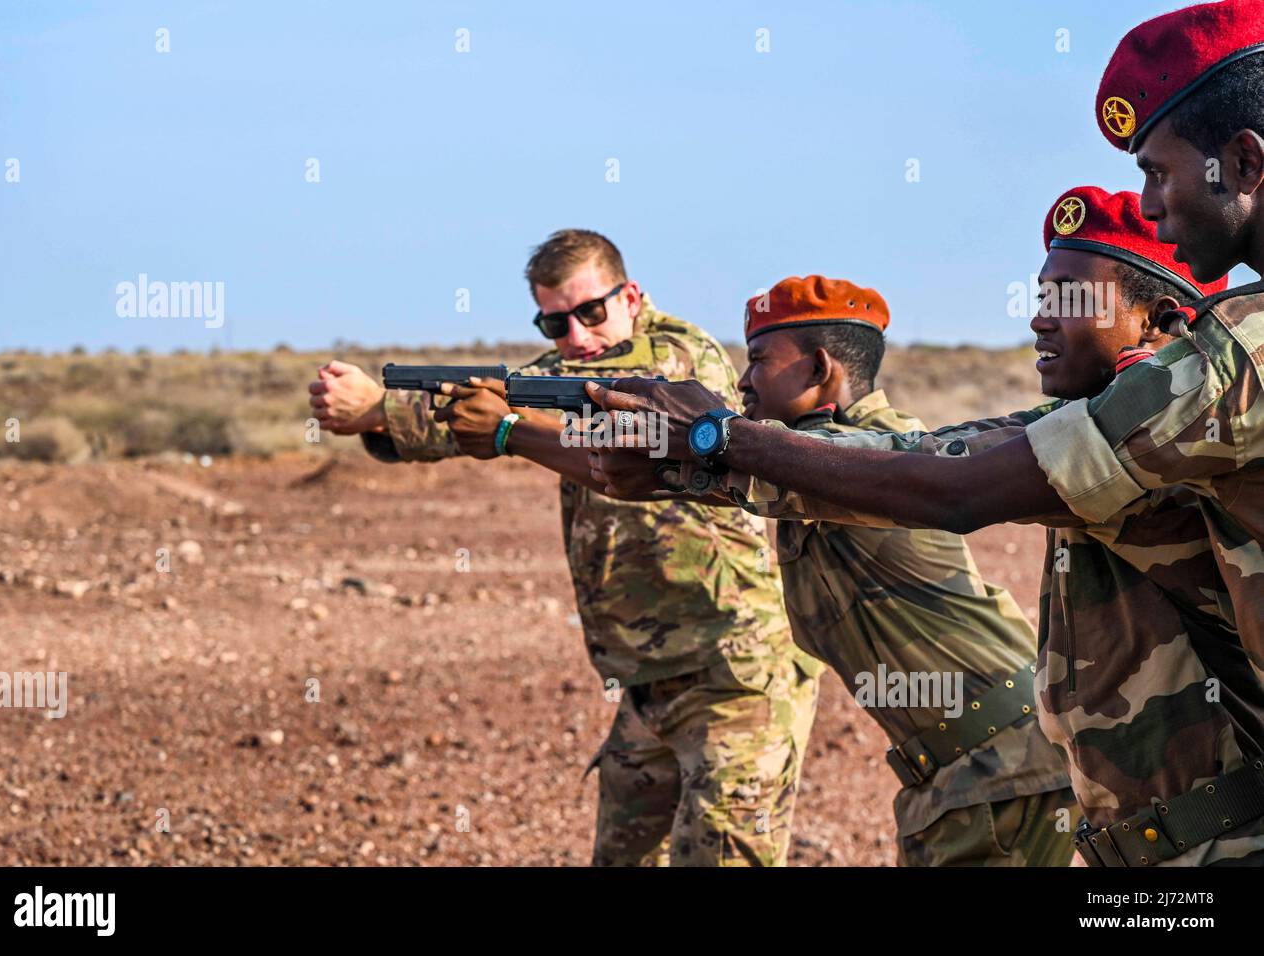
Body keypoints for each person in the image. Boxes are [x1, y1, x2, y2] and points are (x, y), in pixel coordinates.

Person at [590, 186, 1264, 865]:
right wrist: (689, 463)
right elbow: (928, 456)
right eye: (1040, 299)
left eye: (1067, 299)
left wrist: (717, 440)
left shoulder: (1168, 448)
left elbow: (944, 483)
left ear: (1158, 321)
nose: (1039, 322)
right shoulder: (1089, 430)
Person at [308, 228, 822, 866]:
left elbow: (592, 407)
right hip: (645, 677)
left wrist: (391, 407)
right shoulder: (564, 374)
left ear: (630, 296)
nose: (576, 337)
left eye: (590, 312)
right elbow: (496, 412)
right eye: (555, 324)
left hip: (736, 669)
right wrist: (380, 416)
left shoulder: (680, 359)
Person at [627, 274, 1079, 865]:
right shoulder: (801, 466)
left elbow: (762, 462)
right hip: (964, 767)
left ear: (818, 369)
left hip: (1001, 763)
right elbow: (666, 473)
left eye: (759, 360)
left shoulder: (871, 451)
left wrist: (712, 436)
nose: (741, 381)